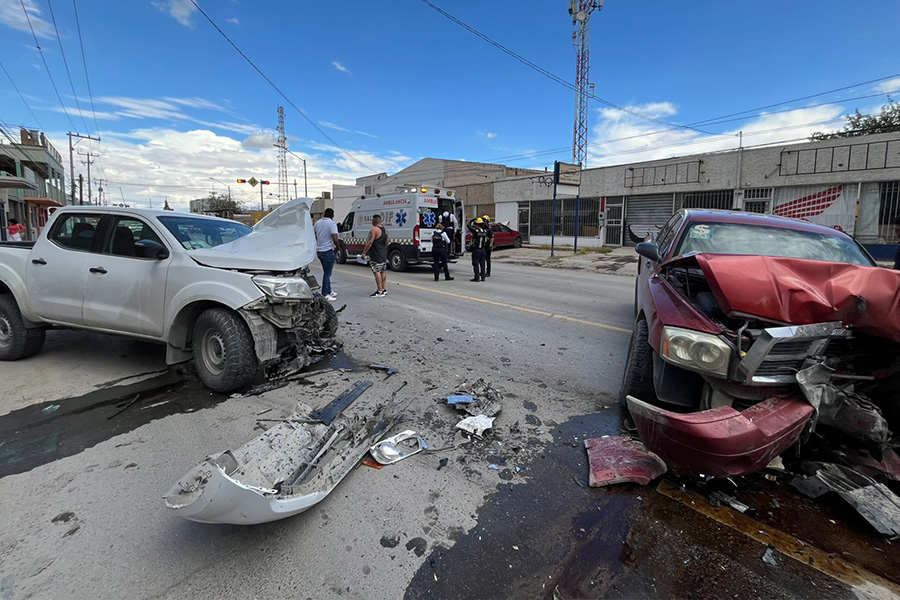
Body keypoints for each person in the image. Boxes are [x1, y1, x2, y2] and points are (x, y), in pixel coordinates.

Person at [313, 208, 340, 302]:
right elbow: (335, 238)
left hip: (320, 250)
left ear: (324, 214)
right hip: (328, 250)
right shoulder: (332, 224)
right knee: (327, 273)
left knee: (326, 272)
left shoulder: (317, 223)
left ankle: (329, 290)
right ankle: (325, 294)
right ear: (332, 215)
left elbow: (314, 235)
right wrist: (337, 247)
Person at [363, 214, 388, 297]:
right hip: (383, 254)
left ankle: (379, 290)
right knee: (383, 272)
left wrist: (364, 253)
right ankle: (384, 289)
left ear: (374, 221)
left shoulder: (374, 230)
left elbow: (370, 242)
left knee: (376, 272)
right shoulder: (385, 230)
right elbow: (387, 242)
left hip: (376, 254)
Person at [469, 218, 489, 282]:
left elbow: (468, 225)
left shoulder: (475, 231)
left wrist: (472, 219)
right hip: (483, 250)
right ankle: (483, 277)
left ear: (477, 225)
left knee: (475, 264)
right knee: (482, 264)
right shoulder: (485, 231)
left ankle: (476, 277)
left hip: (476, 250)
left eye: (475, 224)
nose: (474, 226)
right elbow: (487, 227)